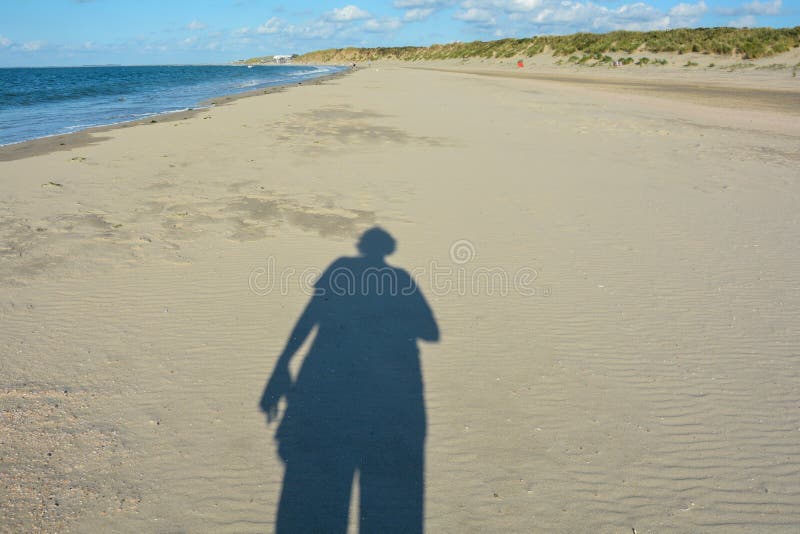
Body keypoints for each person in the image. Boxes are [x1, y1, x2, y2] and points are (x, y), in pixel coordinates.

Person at [261, 227, 439, 533]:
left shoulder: (342, 267)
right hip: (386, 391)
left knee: (326, 485)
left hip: (331, 381)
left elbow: (312, 313)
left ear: (361, 246)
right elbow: (430, 332)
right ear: (390, 249)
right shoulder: (401, 279)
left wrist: (284, 361)